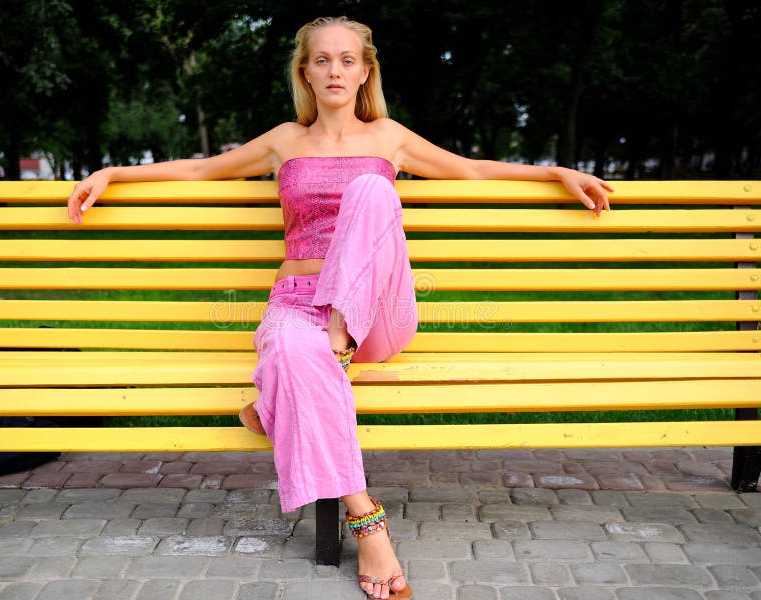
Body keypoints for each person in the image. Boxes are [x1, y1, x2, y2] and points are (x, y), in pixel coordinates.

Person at [68, 15, 612, 600]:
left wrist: (556, 171)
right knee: (290, 348)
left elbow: (474, 168)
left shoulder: (389, 138)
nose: (334, 70)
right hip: (296, 304)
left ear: (365, 72)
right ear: (305, 71)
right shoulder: (284, 140)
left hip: (376, 311)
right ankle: (366, 518)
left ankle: (314, 360)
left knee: (373, 190)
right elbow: (201, 168)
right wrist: (113, 171)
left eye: (347, 60)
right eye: (322, 59)